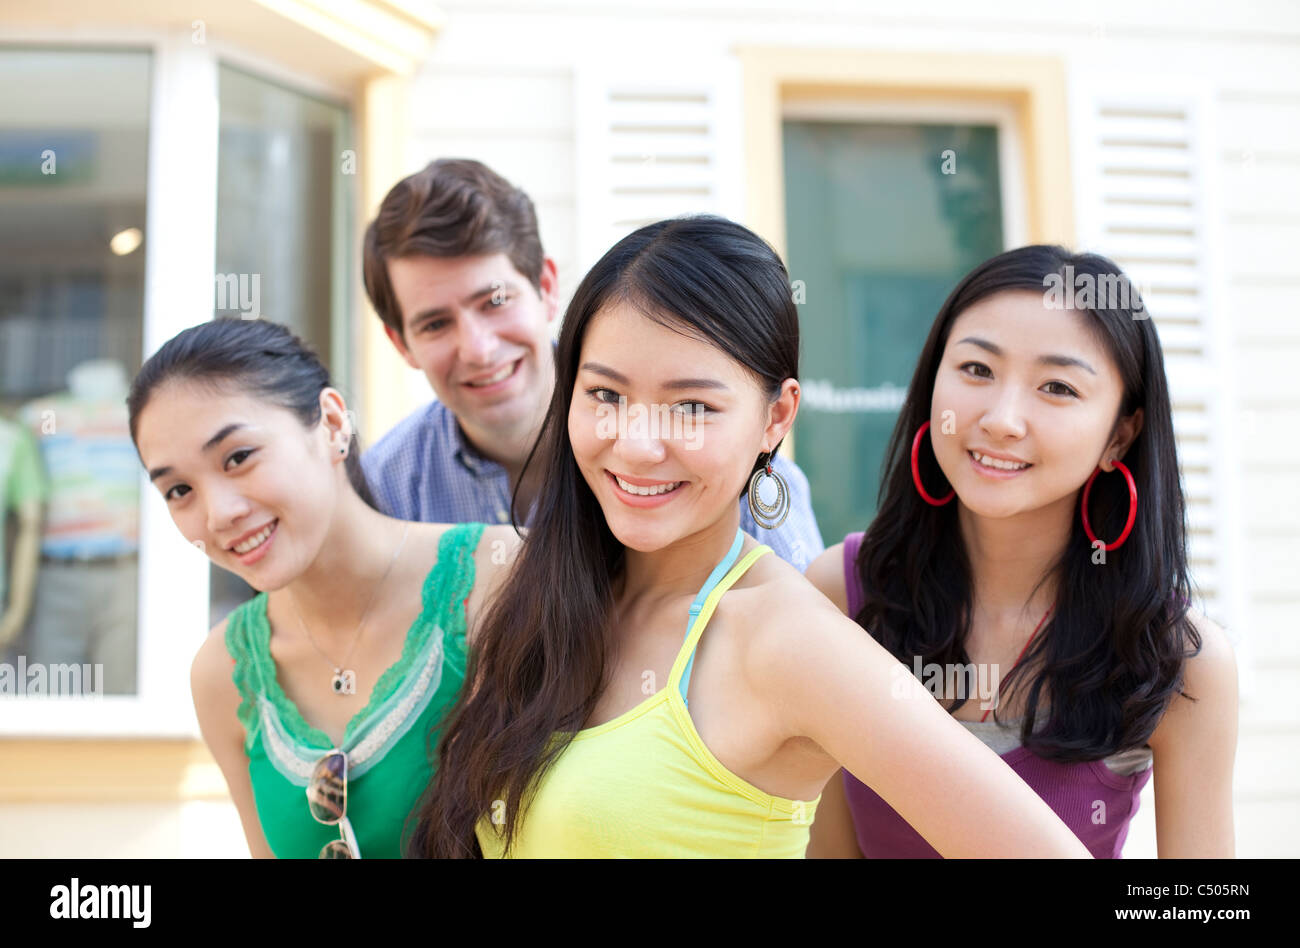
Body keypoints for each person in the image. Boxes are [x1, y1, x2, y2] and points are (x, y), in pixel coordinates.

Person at [407, 215, 1092, 858]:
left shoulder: (784, 638)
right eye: (607, 396)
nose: (640, 445)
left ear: (775, 418)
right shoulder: (534, 592)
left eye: (693, 407)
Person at [802, 246, 1238, 858]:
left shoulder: (1179, 659)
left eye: (1057, 387)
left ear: (1120, 433)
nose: (1003, 420)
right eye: (978, 370)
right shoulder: (840, 597)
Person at [127, 318, 515, 858]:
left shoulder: (501, 581)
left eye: (238, 457)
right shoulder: (223, 674)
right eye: (179, 489)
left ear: (332, 423)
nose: (219, 514)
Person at [360, 158, 823, 570]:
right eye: (436, 324)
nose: (478, 349)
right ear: (400, 343)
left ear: (545, 286)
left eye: (495, 300)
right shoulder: (384, 490)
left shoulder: (738, 474)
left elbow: (809, 632)